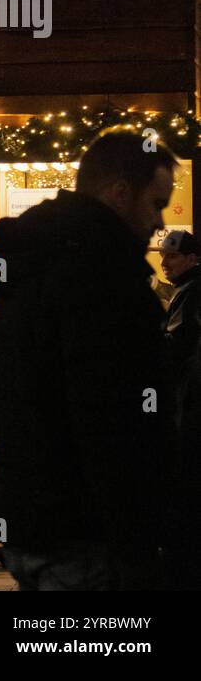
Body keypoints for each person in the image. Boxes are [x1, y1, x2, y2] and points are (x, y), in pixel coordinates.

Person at [0, 128, 174, 590]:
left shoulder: (37, 259)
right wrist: (138, 532)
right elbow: (108, 417)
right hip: (88, 534)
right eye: (156, 204)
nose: (160, 223)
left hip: (33, 521)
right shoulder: (101, 276)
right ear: (119, 193)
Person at [157, 230, 201, 586]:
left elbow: (176, 344)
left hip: (189, 407)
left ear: (191, 258)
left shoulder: (191, 293)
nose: (164, 262)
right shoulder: (186, 290)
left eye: (172, 256)